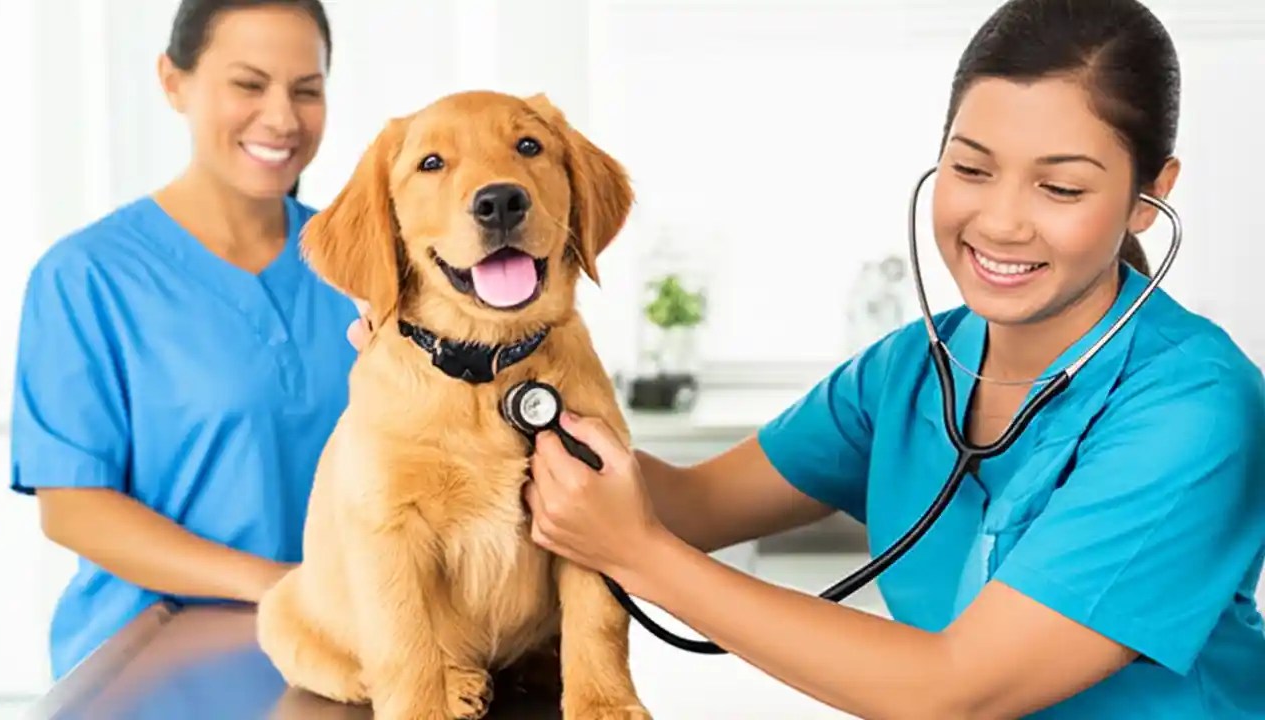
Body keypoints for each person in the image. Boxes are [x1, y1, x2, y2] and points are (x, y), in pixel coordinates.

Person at [507, 1, 1265, 718]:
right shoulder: (911, 371)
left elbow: (956, 692)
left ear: (1148, 197)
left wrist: (639, 556)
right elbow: (691, 505)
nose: (1001, 222)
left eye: (1060, 188)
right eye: (971, 169)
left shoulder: (1196, 410)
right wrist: (484, 399)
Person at [9, 0, 357, 680]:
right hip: (153, 666)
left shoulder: (360, 266)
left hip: (338, 654)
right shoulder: (86, 276)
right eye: (249, 84)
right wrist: (278, 585)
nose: (282, 118)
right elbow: (73, 508)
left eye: (306, 91)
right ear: (174, 82)